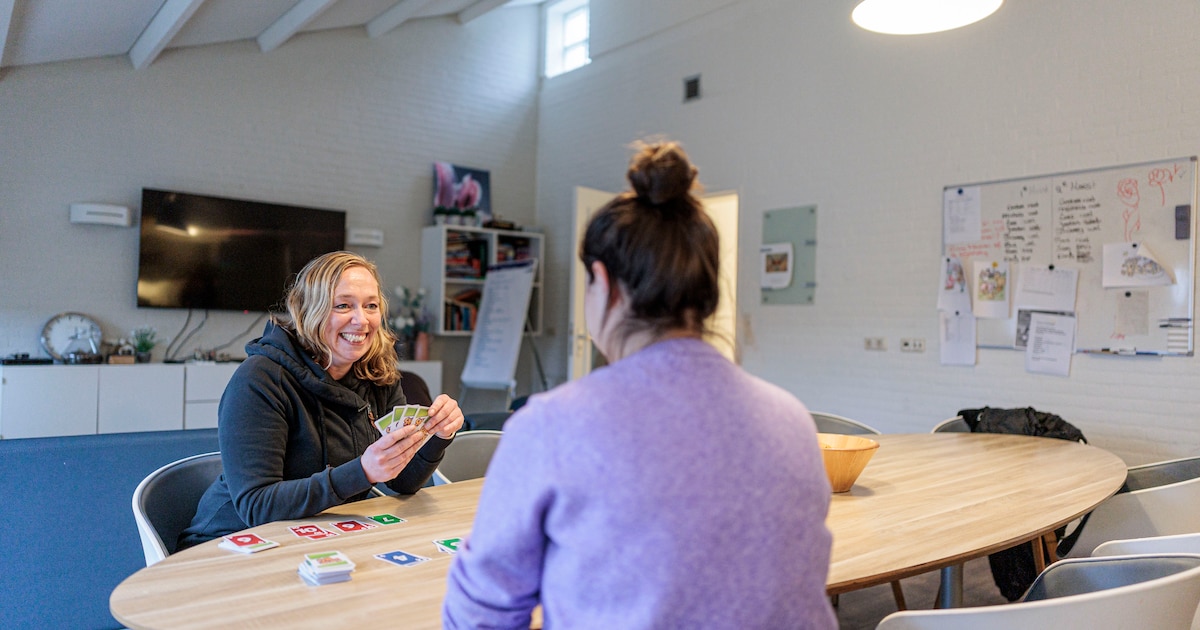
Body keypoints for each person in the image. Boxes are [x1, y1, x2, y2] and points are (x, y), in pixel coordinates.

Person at [442, 141, 836, 629]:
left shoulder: (551, 426)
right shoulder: (792, 420)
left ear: (602, 282)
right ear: (708, 292)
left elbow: (479, 615)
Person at [178, 251, 463, 550]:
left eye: (371, 305)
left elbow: (402, 482)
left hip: (323, 535)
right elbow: (257, 506)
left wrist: (439, 435)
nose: (361, 320)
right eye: (343, 305)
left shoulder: (378, 371)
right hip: (231, 542)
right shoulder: (259, 379)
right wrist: (362, 472)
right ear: (309, 311)